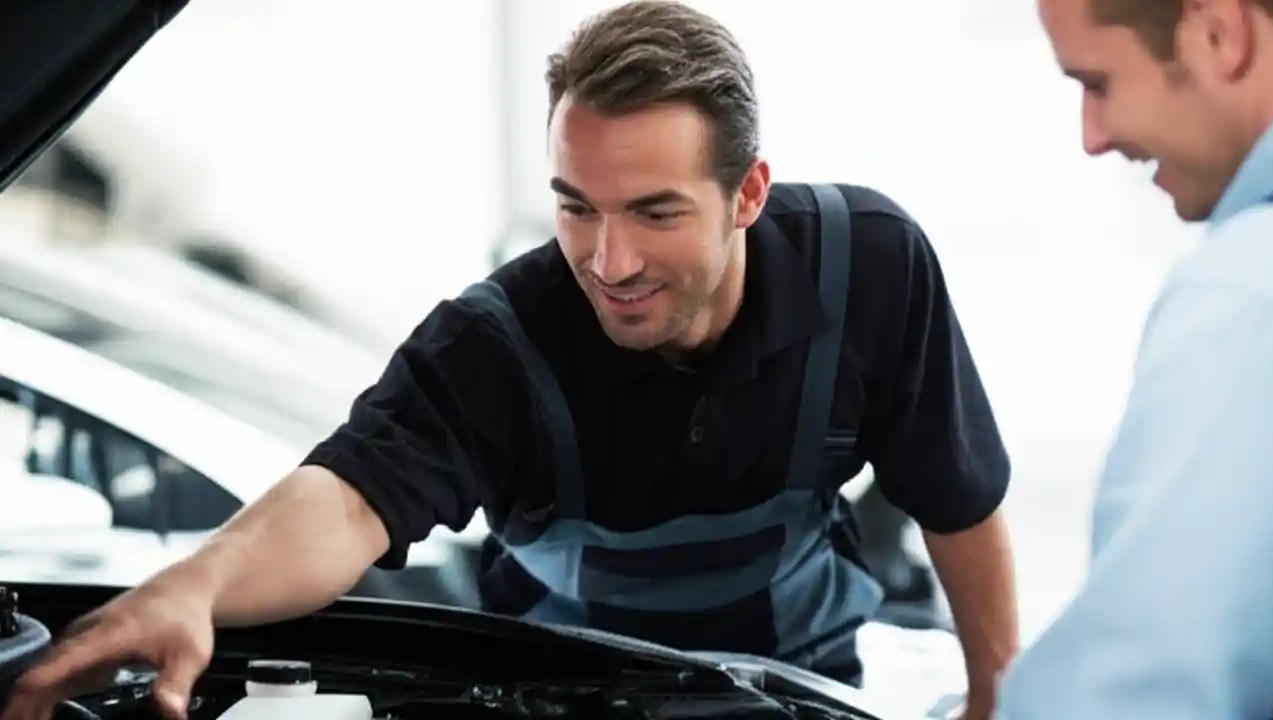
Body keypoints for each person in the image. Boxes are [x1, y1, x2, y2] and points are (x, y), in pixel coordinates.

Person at [1, 2, 1019, 719]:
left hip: (806, 690)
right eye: (575, 205)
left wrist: (992, 699)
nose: (606, 262)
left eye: (653, 213)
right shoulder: (500, 339)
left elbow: (955, 497)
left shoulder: (869, 266)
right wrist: (195, 586)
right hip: (562, 696)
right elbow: (350, 497)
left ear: (747, 194)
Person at [996, 0, 1273, 717]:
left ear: (1220, 33)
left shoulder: (1250, 294)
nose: (1094, 137)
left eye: (1097, 83)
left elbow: (1146, 695)